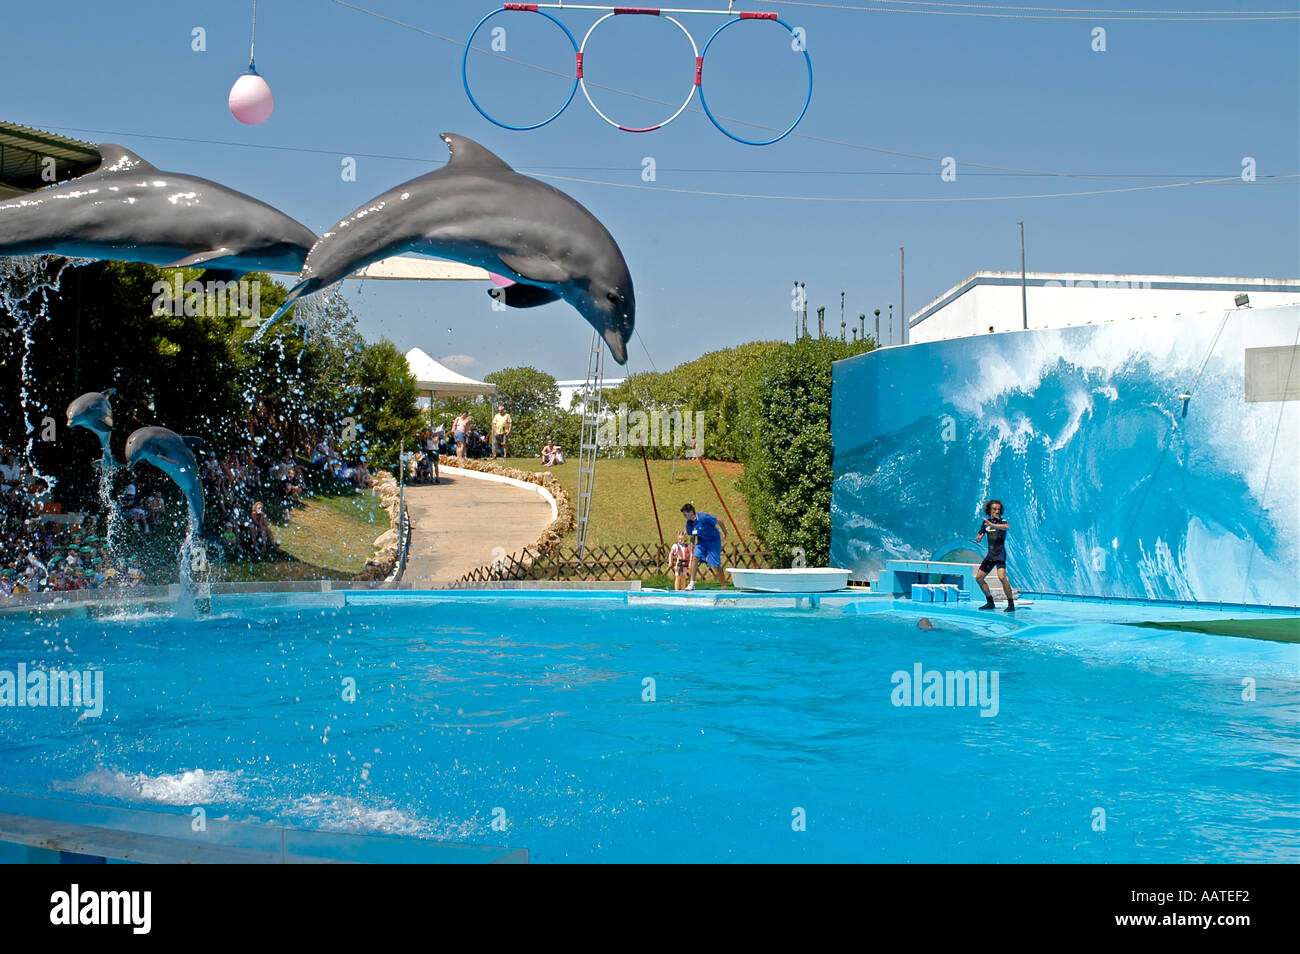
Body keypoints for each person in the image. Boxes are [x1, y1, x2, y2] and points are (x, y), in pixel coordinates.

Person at [975, 499, 1015, 612]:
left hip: (1000, 554)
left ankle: (1011, 604)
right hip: (990, 555)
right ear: (990, 510)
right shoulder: (985, 522)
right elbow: (981, 533)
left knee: (1002, 577)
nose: (997, 511)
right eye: (994, 509)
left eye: (998, 509)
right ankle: (990, 602)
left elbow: (1007, 527)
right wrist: (979, 537)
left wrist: (992, 524)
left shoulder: (1002, 521)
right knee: (979, 578)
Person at [680, 503, 728, 591]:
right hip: (702, 541)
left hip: (714, 541)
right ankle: (692, 583)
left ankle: (724, 586)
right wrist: (692, 547)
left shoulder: (704, 517)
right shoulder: (689, 523)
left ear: (691, 512)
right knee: (695, 558)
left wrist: (725, 533)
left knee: (716, 564)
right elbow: (692, 535)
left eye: (685, 514)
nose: (684, 516)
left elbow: (720, 521)